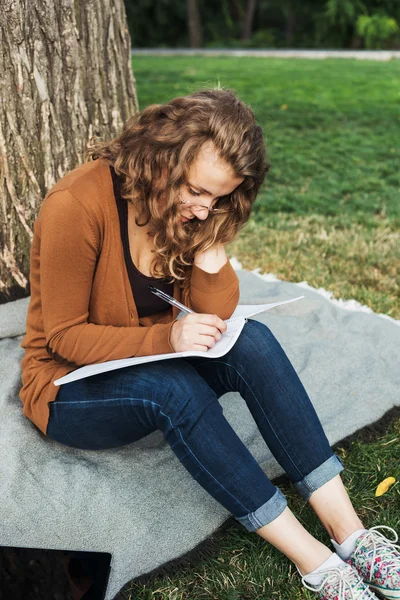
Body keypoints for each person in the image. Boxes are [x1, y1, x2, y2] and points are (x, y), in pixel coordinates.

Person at [20, 88, 400, 599]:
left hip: (157, 354)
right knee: (172, 388)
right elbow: (63, 337)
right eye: (197, 191)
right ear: (163, 155)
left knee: (255, 343)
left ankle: (350, 535)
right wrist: (166, 336)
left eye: (219, 198)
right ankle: (317, 563)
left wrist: (212, 250)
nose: (203, 209)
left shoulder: (199, 212)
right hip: (68, 385)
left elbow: (216, 313)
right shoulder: (77, 204)